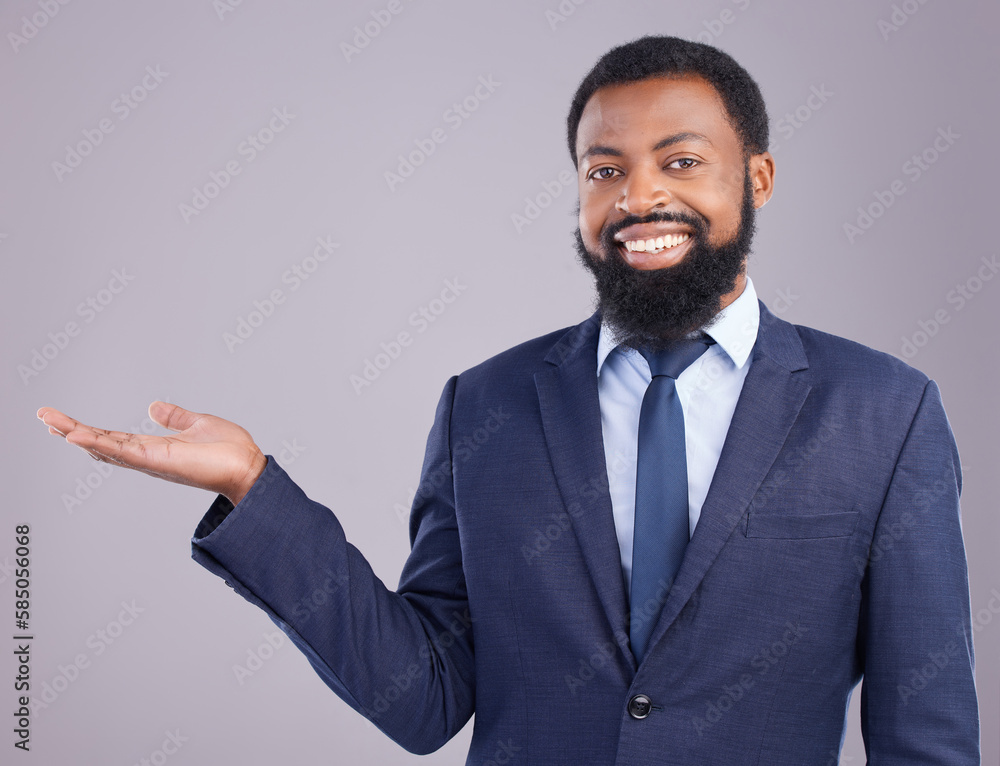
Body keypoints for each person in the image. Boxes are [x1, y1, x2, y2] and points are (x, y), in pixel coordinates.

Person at [37, 36, 979, 764]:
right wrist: (253, 487)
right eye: (605, 169)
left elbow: (925, 732)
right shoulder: (483, 407)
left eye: (681, 161)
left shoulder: (883, 415)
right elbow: (425, 696)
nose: (639, 195)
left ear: (758, 177)